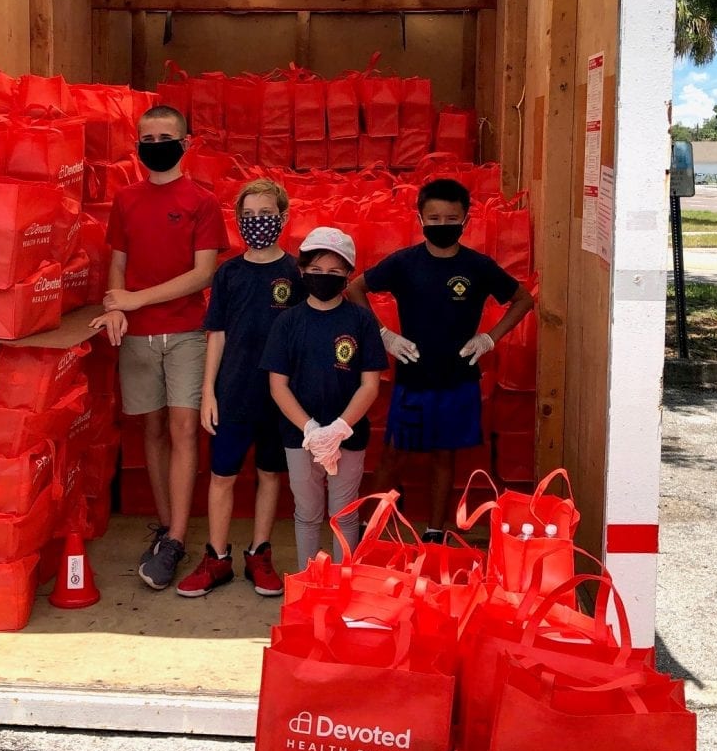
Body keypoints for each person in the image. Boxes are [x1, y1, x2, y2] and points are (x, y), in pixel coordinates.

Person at [346, 178, 535, 543]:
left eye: (451, 217)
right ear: (420, 218)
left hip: (458, 378)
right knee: (393, 456)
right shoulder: (404, 262)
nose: (442, 223)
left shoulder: (478, 266)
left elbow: (523, 299)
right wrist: (383, 334)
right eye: (434, 217)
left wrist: (490, 338)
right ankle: (369, 531)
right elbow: (355, 288)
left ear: (466, 219)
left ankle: (435, 532)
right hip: (413, 376)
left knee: (444, 457)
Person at [90, 105, 228, 590]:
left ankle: (174, 535)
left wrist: (135, 299)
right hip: (138, 336)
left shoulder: (202, 201)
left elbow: (204, 273)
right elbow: (117, 263)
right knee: (151, 429)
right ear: (137, 145)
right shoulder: (126, 199)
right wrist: (115, 307)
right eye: (146, 138)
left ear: (185, 143)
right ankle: (167, 530)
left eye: (164, 136)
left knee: (184, 428)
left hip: (188, 331)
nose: (155, 144)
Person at [176, 179, 305, 598]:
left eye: (265, 214)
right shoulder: (229, 272)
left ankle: (259, 553)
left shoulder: (295, 273)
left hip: (280, 398)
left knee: (270, 474)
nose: (256, 223)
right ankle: (216, 557)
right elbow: (216, 334)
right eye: (247, 216)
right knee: (222, 475)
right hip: (233, 393)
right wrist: (208, 392)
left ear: (283, 218)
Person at [260, 227, 387, 571]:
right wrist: (312, 430)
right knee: (307, 511)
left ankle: (345, 581)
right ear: (301, 272)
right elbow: (278, 385)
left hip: (349, 436)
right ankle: (307, 580)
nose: (324, 278)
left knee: (344, 511)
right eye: (316, 270)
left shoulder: (361, 320)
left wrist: (340, 428)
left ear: (348, 274)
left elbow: (370, 384)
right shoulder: (287, 322)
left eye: (334, 271)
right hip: (300, 437)